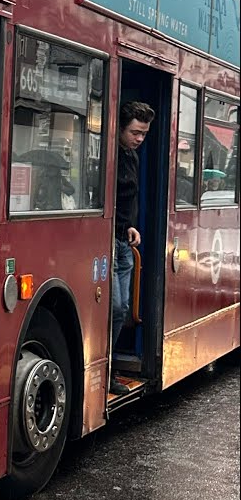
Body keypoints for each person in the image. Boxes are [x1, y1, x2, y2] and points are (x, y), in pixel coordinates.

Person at [111, 100, 154, 395]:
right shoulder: (110, 155)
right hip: (107, 243)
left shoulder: (131, 156)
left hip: (123, 240)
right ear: (120, 128)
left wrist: (129, 224)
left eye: (144, 134)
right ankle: (106, 368)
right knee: (114, 306)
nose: (139, 139)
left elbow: (126, 198)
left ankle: (110, 366)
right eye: (135, 132)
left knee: (123, 307)